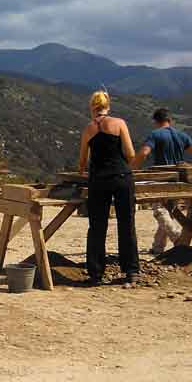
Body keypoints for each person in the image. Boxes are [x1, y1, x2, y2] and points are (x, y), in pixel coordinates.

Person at [78, 91, 140, 285]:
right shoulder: (119, 123)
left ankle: (95, 272)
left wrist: (81, 171)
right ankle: (131, 270)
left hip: (98, 180)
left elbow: (82, 161)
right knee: (126, 223)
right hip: (121, 177)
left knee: (97, 226)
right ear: (108, 106)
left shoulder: (89, 129)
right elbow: (130, 154)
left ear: (92, 107)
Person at [133, 108, 192, 254]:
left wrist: (132, 168)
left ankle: (177, 237)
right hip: (179, 179)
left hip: (162, 178)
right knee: (168, 212)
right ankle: (157, 247)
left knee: (160, 211)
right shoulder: (182, 135)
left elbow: (144, 153)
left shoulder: (155, 135)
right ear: (169, 120)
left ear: (155, 121)